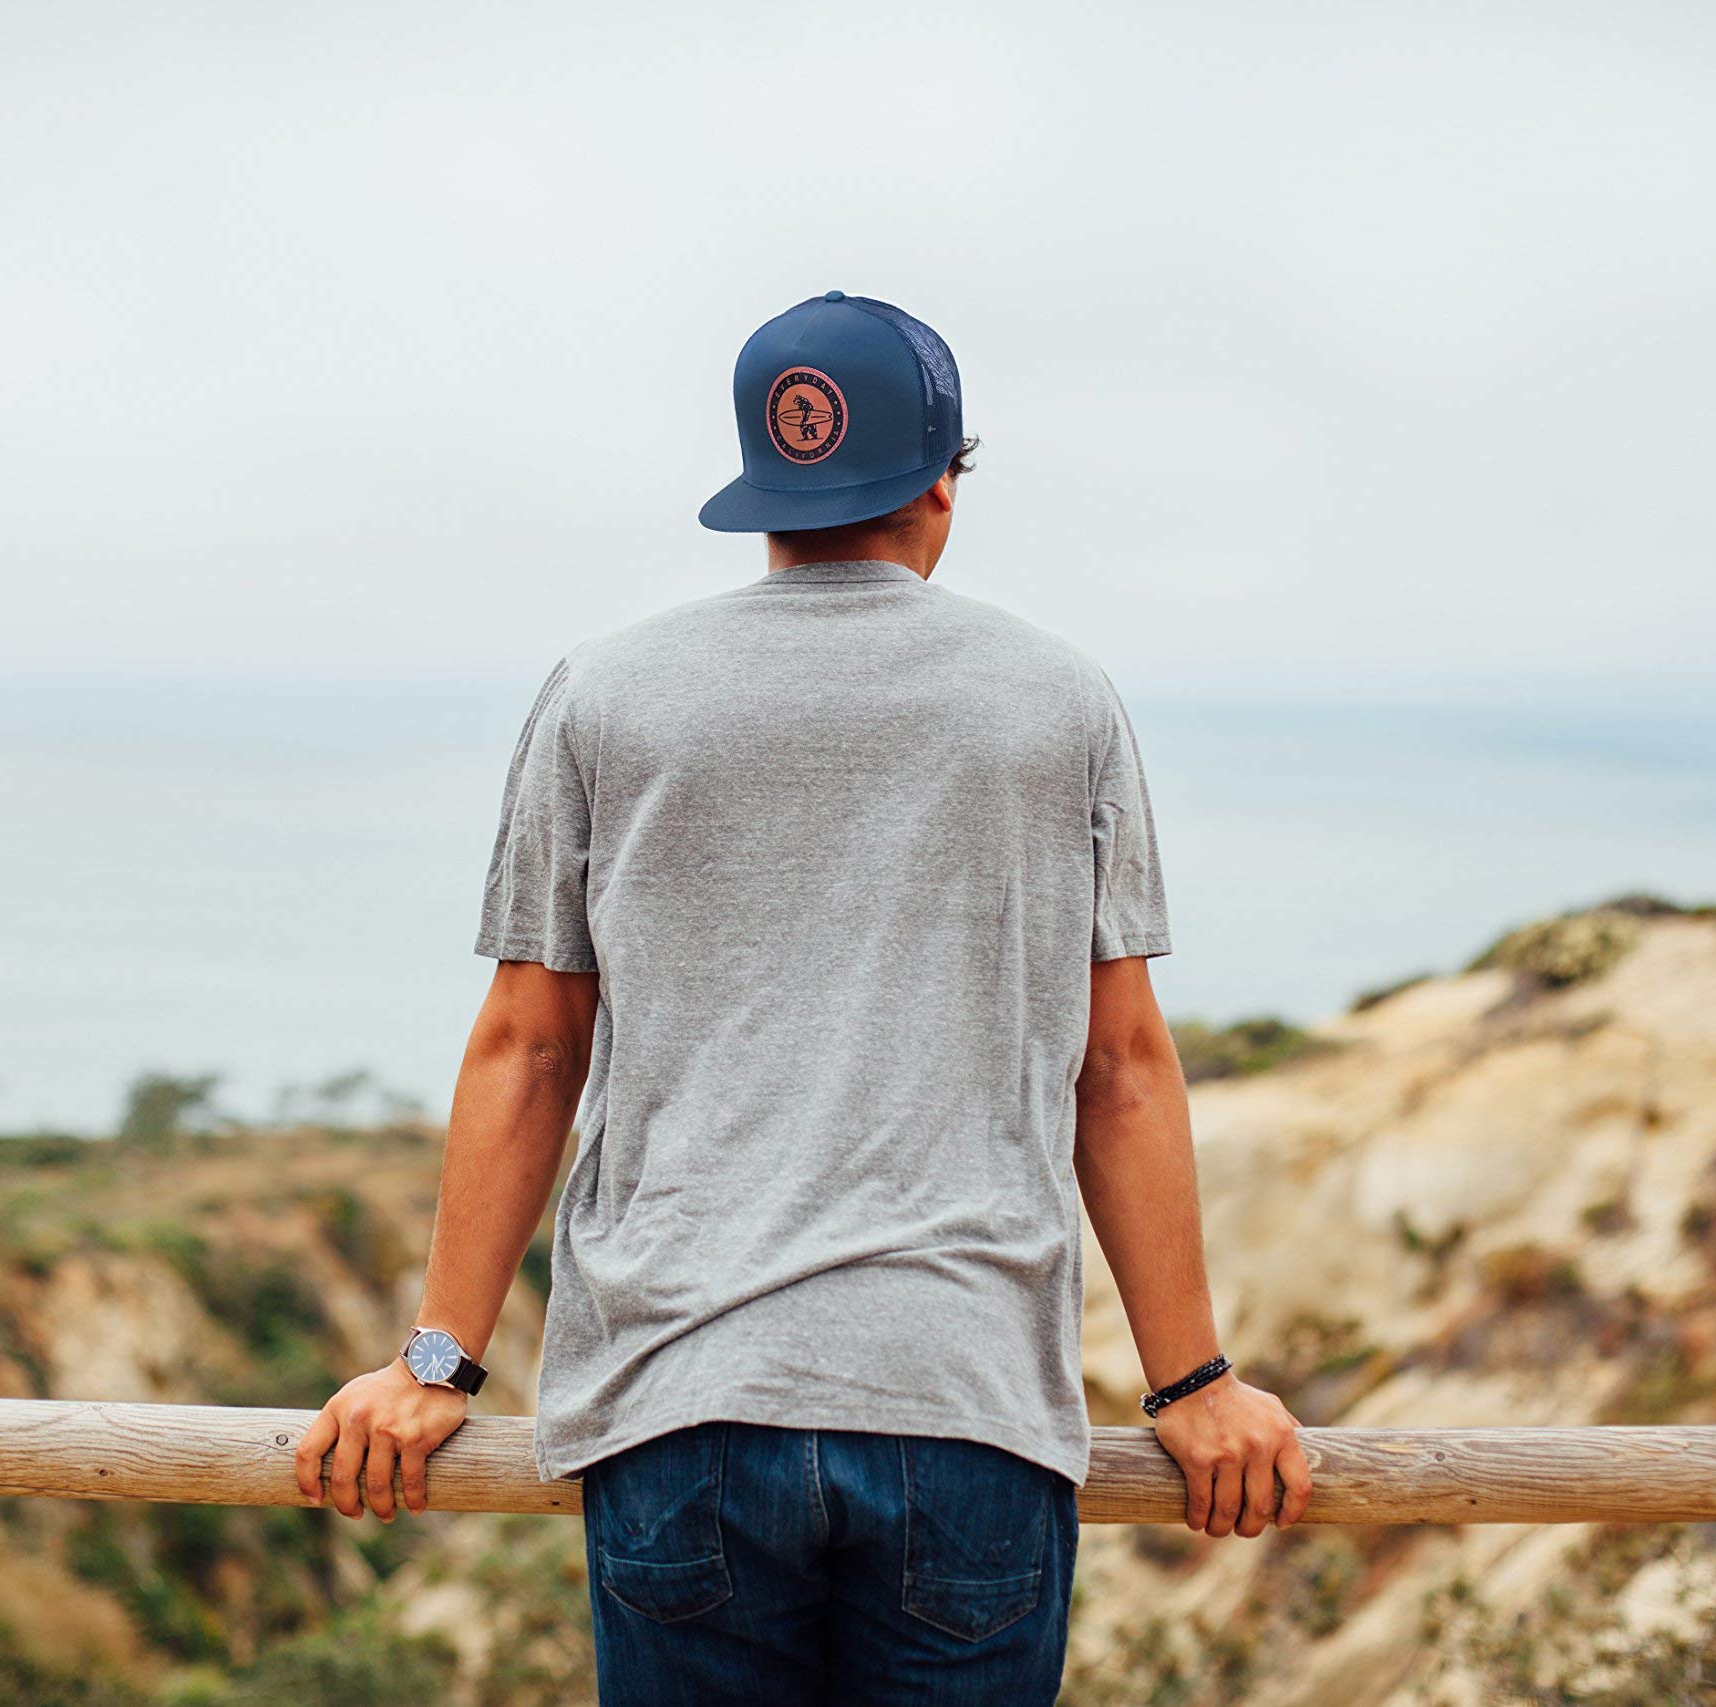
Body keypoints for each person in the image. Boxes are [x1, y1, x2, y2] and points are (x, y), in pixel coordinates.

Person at [298, 291, 1310, 1705]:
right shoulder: (1058, 702)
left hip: (681, 1407)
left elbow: (532, 1051)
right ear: (944, 480)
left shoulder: (605, 695)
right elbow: (1122, 1069)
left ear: (761, 483)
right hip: (962, 1406)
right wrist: (1194, 1385)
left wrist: (437, 1364)